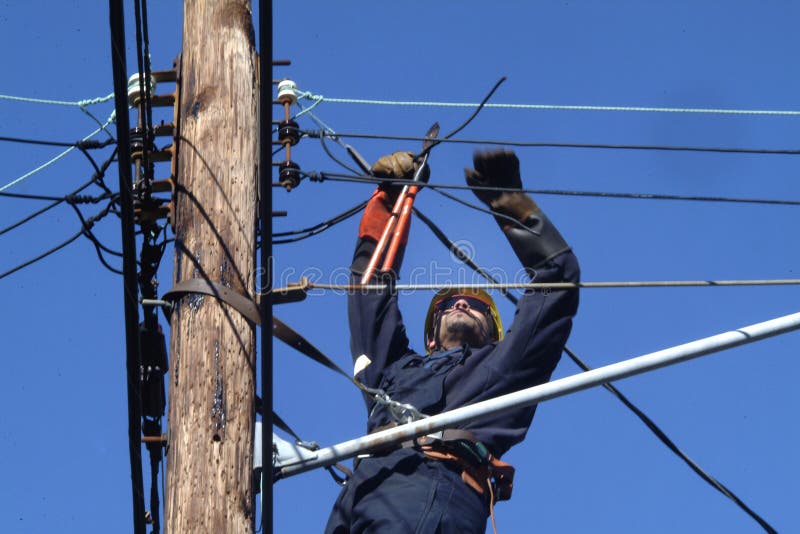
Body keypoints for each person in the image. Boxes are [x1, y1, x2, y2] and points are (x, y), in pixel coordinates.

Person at [325, 149, 580, 533]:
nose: (461, 301)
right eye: (447, 303)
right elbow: (368, 293)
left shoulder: (503, 372)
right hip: (360, 493)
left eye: (476, 304)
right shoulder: (392, 374)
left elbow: (557, 281)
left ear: (494, 334)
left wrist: (509, 201)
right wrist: (391, 201)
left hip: (437, 490)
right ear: (429, 337)